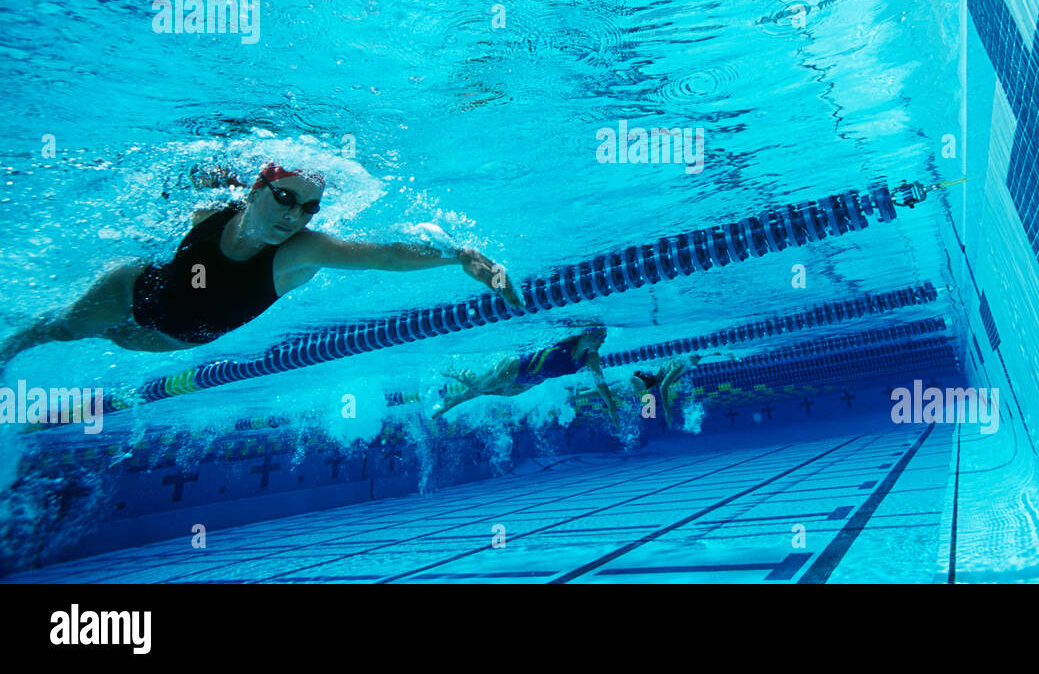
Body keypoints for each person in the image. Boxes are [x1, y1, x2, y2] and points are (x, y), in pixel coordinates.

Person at [0, 161, 522, 365]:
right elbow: (190, 179)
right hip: (132, 288)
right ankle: (11, 345)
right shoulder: (215, 209)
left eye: (309, 208)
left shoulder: (301, 251)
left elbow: (383, 254)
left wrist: (460, 257)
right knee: (65, 329)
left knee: (112, 338)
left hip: (172, 337)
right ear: (256, 189)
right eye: (285, 199)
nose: (295, 216)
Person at [430, 326, 616, 423]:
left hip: (530, 381)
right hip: (516, 367)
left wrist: (611, 407)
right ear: (585, 333)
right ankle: (451, 390)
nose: (602, 340)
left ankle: (453, 386)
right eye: (599, 336)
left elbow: (600, 383)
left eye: (604, 337)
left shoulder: (591, 358)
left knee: (485, 390)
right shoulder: (567, 340)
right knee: (479, 387)